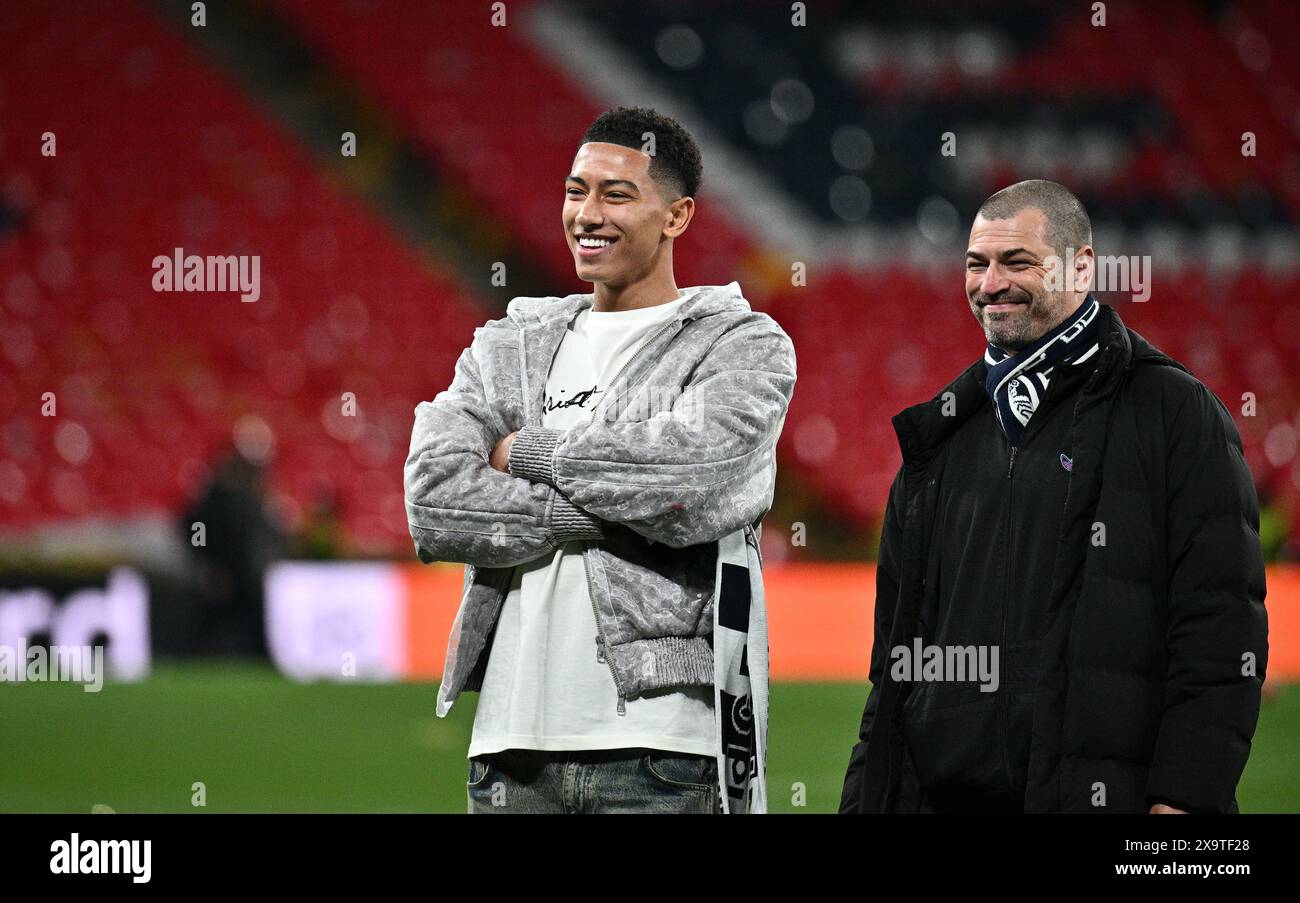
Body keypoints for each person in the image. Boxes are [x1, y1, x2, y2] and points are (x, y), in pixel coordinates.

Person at [405, 106, 796, 814]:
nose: (587, 213)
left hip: (663, 749)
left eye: (616, 194)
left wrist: (521, 452)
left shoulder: (741, 346)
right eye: (574, 190)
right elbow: (433, 502)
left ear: (676, 216)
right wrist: (597, 508)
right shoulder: (509, 343)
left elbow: (682, 480)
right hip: (508, 752)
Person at [839, 180, 1267, 814]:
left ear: (1082, 266)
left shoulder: (1173, 413)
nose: (990, 285)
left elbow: (1221, 631)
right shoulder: (940, 437)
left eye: (1017, 262)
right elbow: (895, 671)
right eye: (976, 264)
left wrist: (1185, 799)